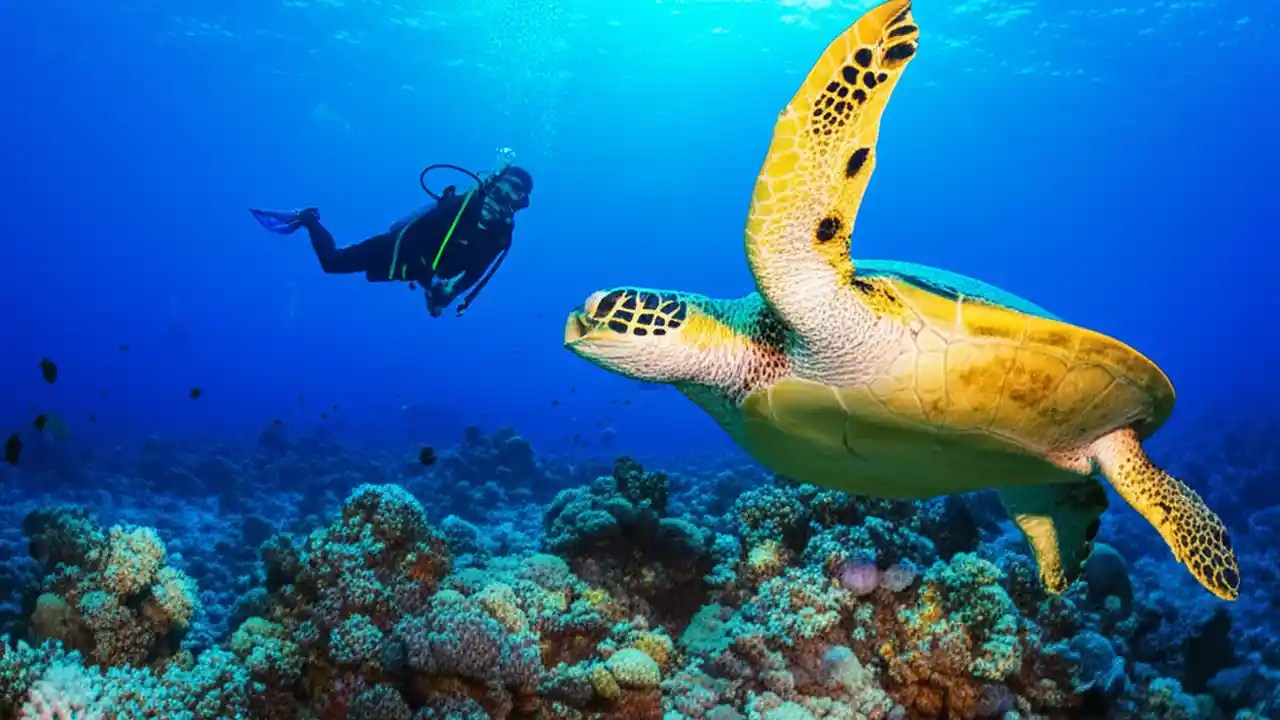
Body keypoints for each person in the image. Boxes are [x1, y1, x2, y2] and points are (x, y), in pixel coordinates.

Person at [250, 162, 533, 317]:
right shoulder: (463, 205)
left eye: (519, 195)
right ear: (493, 183)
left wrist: (452, 292)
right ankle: (309, 217)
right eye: (509, 187)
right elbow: (417, 232)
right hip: (396, 248)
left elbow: (477, 272)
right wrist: (429, 281)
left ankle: (429, 292)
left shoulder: (501, 236)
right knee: (332, 263)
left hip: (422, 270)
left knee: (433, 305)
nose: (512, 197)